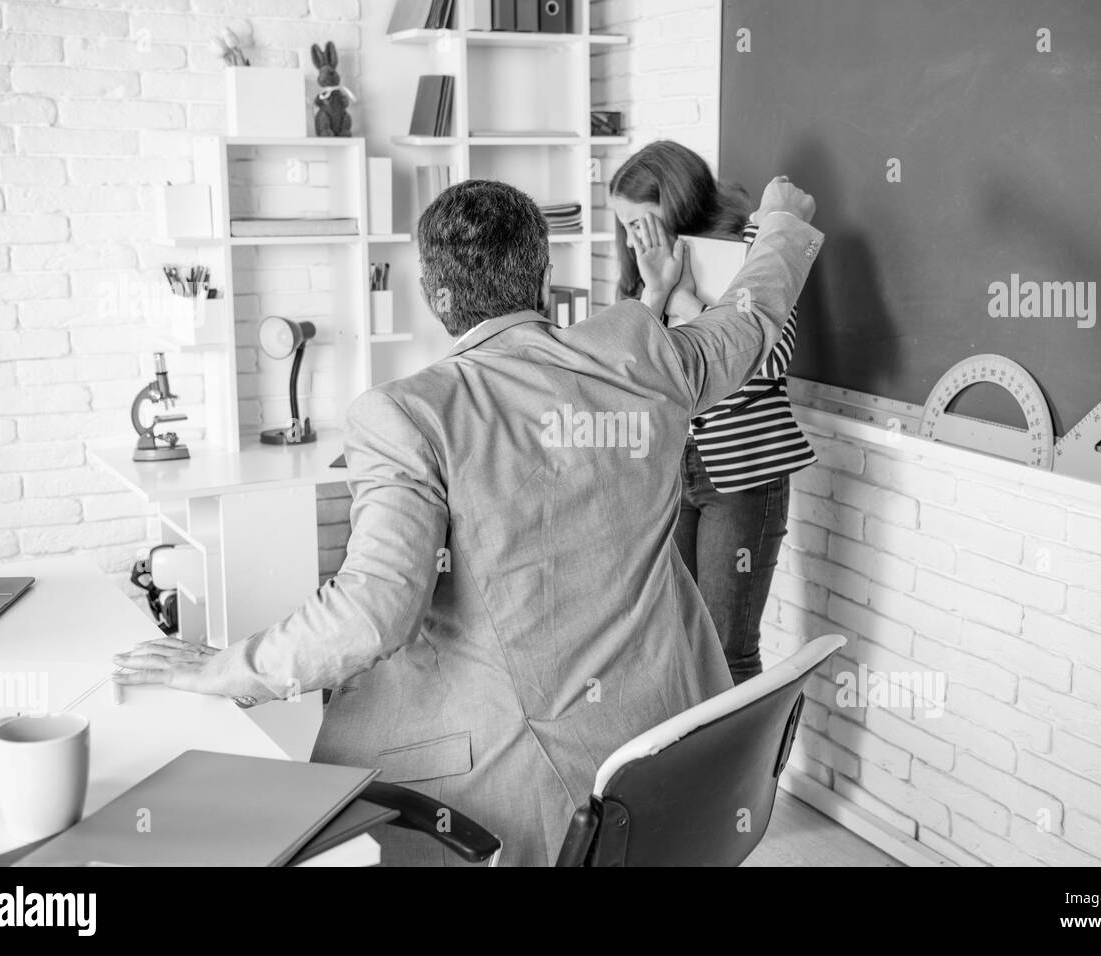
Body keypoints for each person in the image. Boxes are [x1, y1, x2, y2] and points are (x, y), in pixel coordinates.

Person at [112, 176, 823, 866]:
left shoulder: (406, 413)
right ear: (543, 276)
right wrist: (781, 224)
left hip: (521, 794)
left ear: (432, 294)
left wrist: (228, 669)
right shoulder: (642, 355)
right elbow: (751, 320)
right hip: (665, 759)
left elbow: (372, 614)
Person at [610, 142, 818, 683]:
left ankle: (745, 771)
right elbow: (630, 371)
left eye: (639, 221)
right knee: (679, 641)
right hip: (674, 474)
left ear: (673, 200)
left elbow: (768, 358)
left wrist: (683, 304)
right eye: (623, 225)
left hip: (741, 474)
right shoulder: (645, 271)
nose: (632, 237)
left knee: (728, 649)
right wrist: (655, 291)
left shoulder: (753, 244)